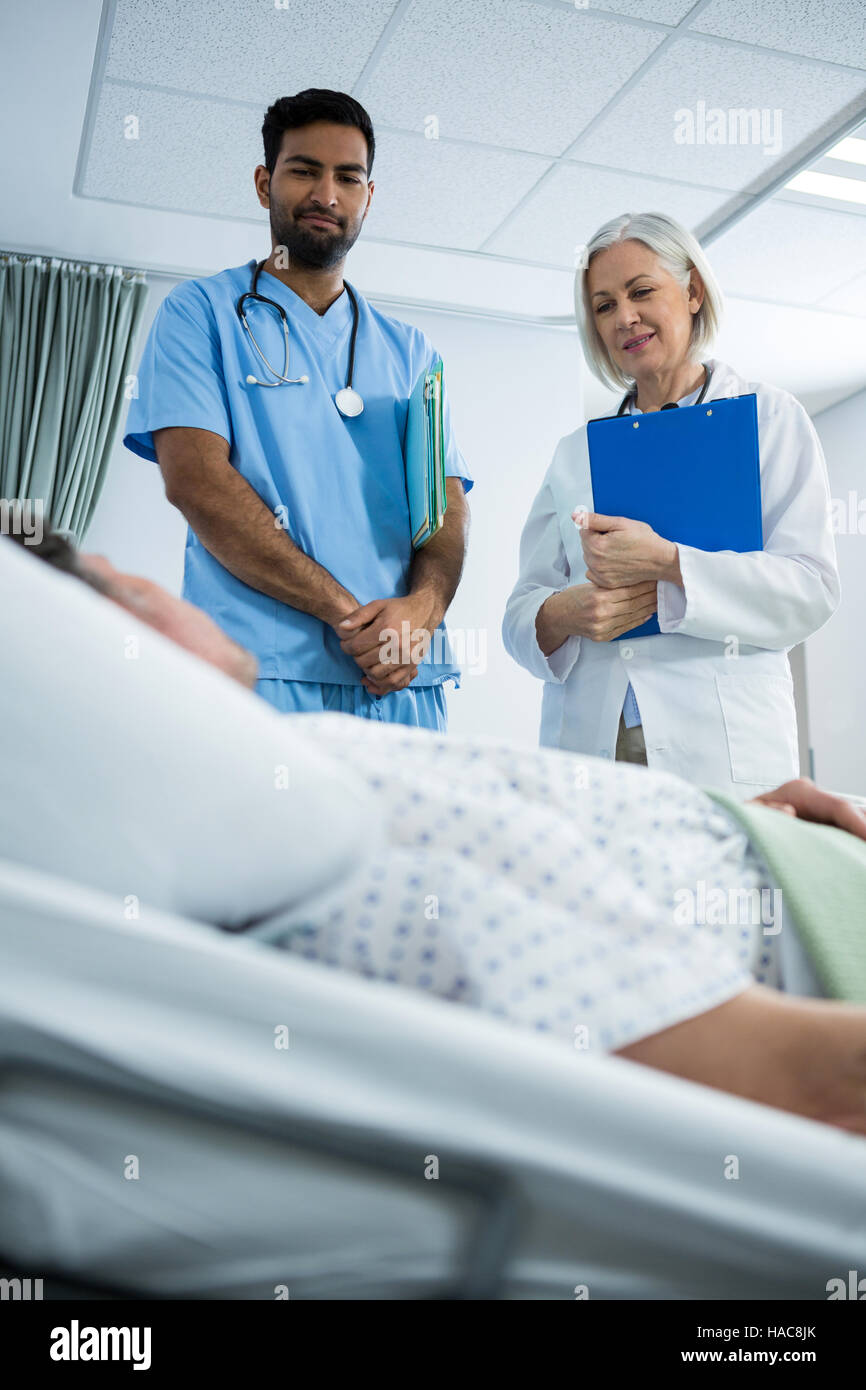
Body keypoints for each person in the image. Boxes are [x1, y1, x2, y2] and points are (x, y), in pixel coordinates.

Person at [6, 527, 866, 1137]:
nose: (155, 582)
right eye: (119, 577)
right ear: (120, 633)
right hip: (810, 929)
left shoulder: (296, 780)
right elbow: (802, 1076)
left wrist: (728, 819)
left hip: (778, 844)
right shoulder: (307, 820)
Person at [123, 89, 472, 731]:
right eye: (304, 170)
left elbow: (442, 507)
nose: (326, 194)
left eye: (348, 177)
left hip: (398, 678)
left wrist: (419, 613)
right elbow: (197, 482)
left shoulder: (410, 351)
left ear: (370, 196)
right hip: (261, 671)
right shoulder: (199, 313)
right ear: (265, 184)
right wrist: (348, 615)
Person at [503, 212, 839, 797]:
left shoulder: (769, 419)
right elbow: (521, 609)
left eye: (640, 292)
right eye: (604, 305)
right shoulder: (576, 453)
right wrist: (565, 613)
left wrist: (669, 562)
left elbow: (810, 590)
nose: (624, 317)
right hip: (595, 747)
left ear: (692, 291)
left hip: (720, 744)